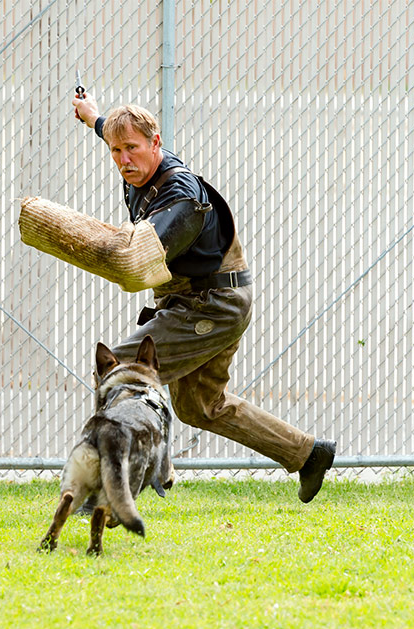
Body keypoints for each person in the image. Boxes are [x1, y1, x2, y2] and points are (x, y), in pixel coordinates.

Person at [71, 92, 335, 502]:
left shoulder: (180, 196)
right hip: (211, 297)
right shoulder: (136, 162)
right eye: (116, 151)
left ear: (156, 143)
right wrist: (92, 116)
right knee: (200, 407)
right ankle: (307, 453)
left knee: (119, 371)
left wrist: (85, 242)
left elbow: (141, 258)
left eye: (132, 149)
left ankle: (112, 482)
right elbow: (109, 128)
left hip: (209, 303)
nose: (124, 160)